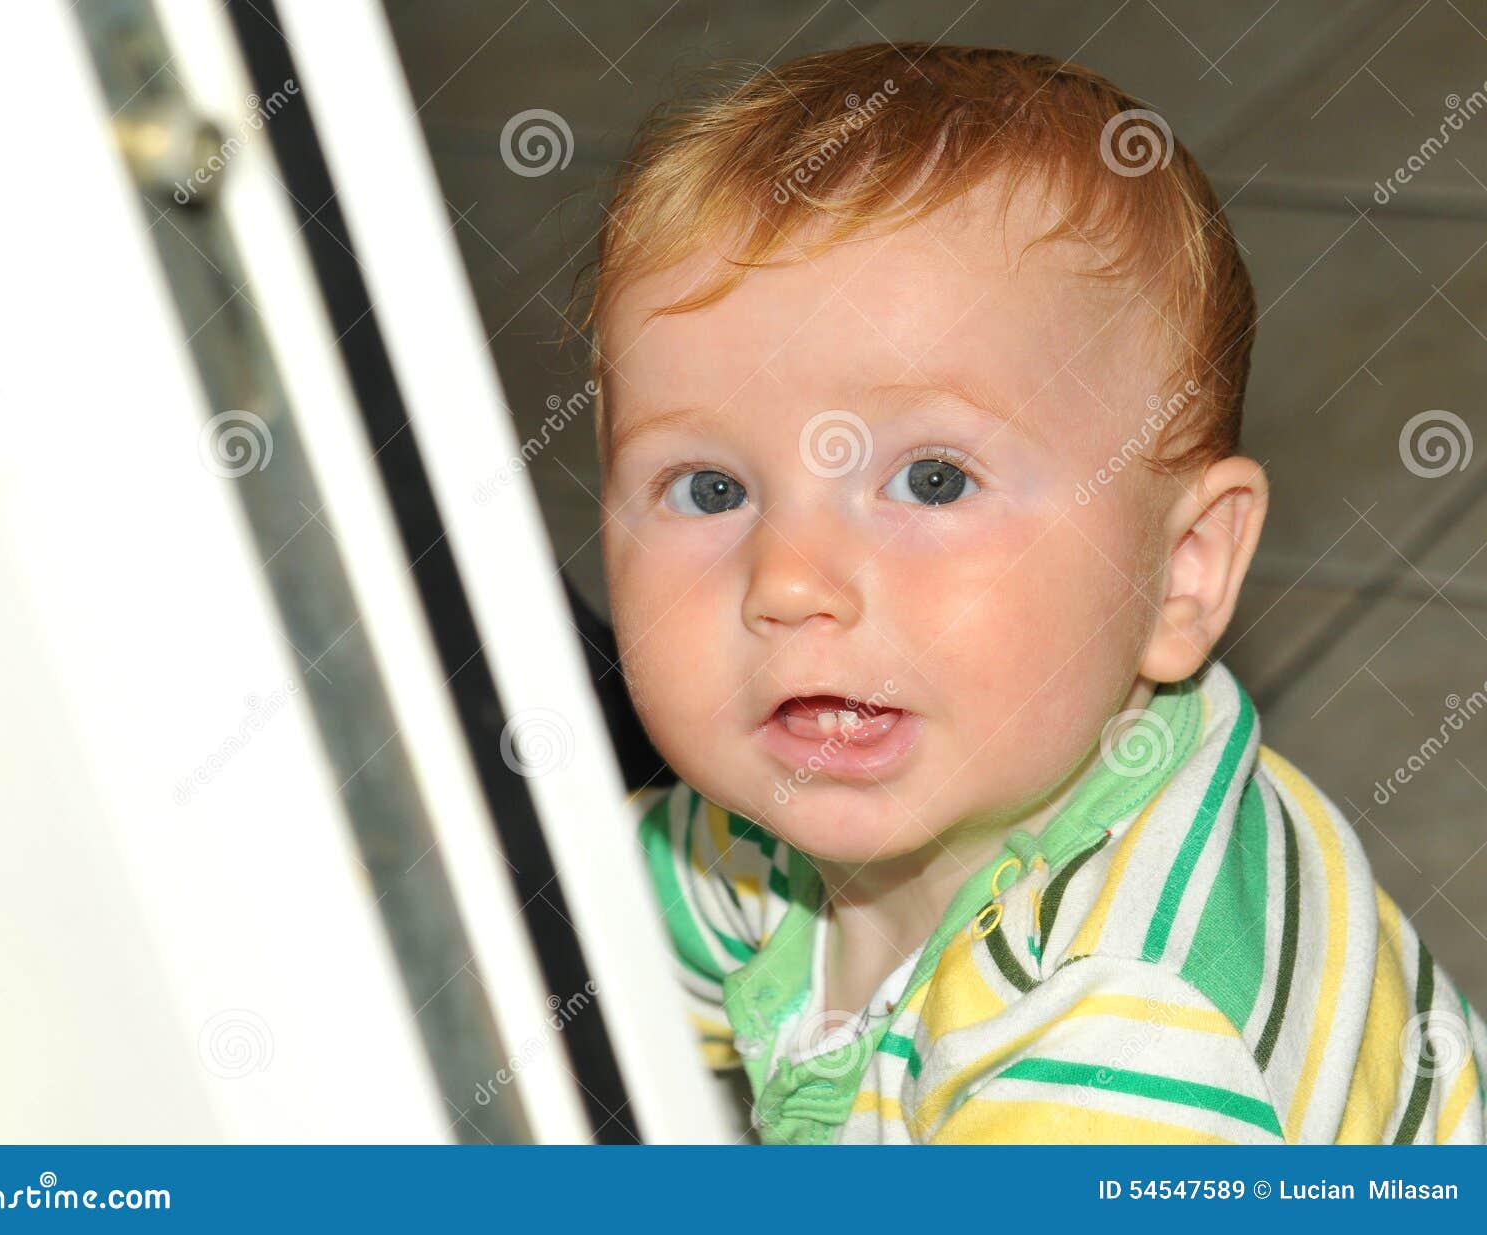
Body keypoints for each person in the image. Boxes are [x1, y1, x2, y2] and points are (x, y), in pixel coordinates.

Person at [577, 41, 1487, 1143]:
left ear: (1179, 568)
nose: (788, 579)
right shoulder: (765, 826)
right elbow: (549, 940)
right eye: (710, 487)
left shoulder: (1118, 1022)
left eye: (931, 479)